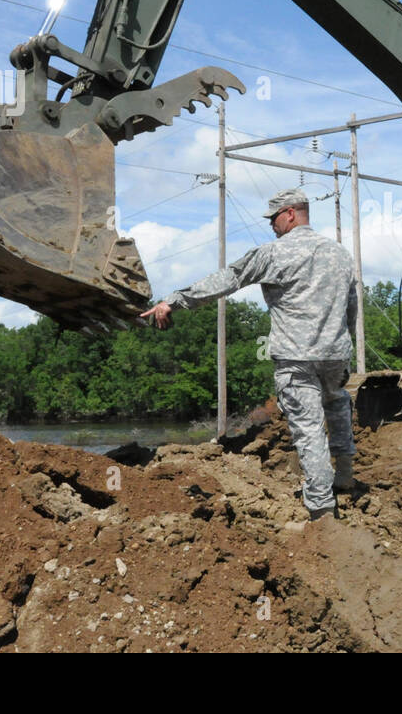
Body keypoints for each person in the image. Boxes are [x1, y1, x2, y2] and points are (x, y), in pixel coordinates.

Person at [139, 187, 359, 522]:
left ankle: (322, 510)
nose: (271, 225)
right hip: (335, 353)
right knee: (337, 403)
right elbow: (352, 302)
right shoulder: (341, 254)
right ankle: (344, 475)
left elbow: (229, 279)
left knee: (309, 428)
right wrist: (347, 340)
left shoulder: (274, 253)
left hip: (296, 356)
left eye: (274, 218)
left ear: (290, 213)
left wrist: (175, 301)